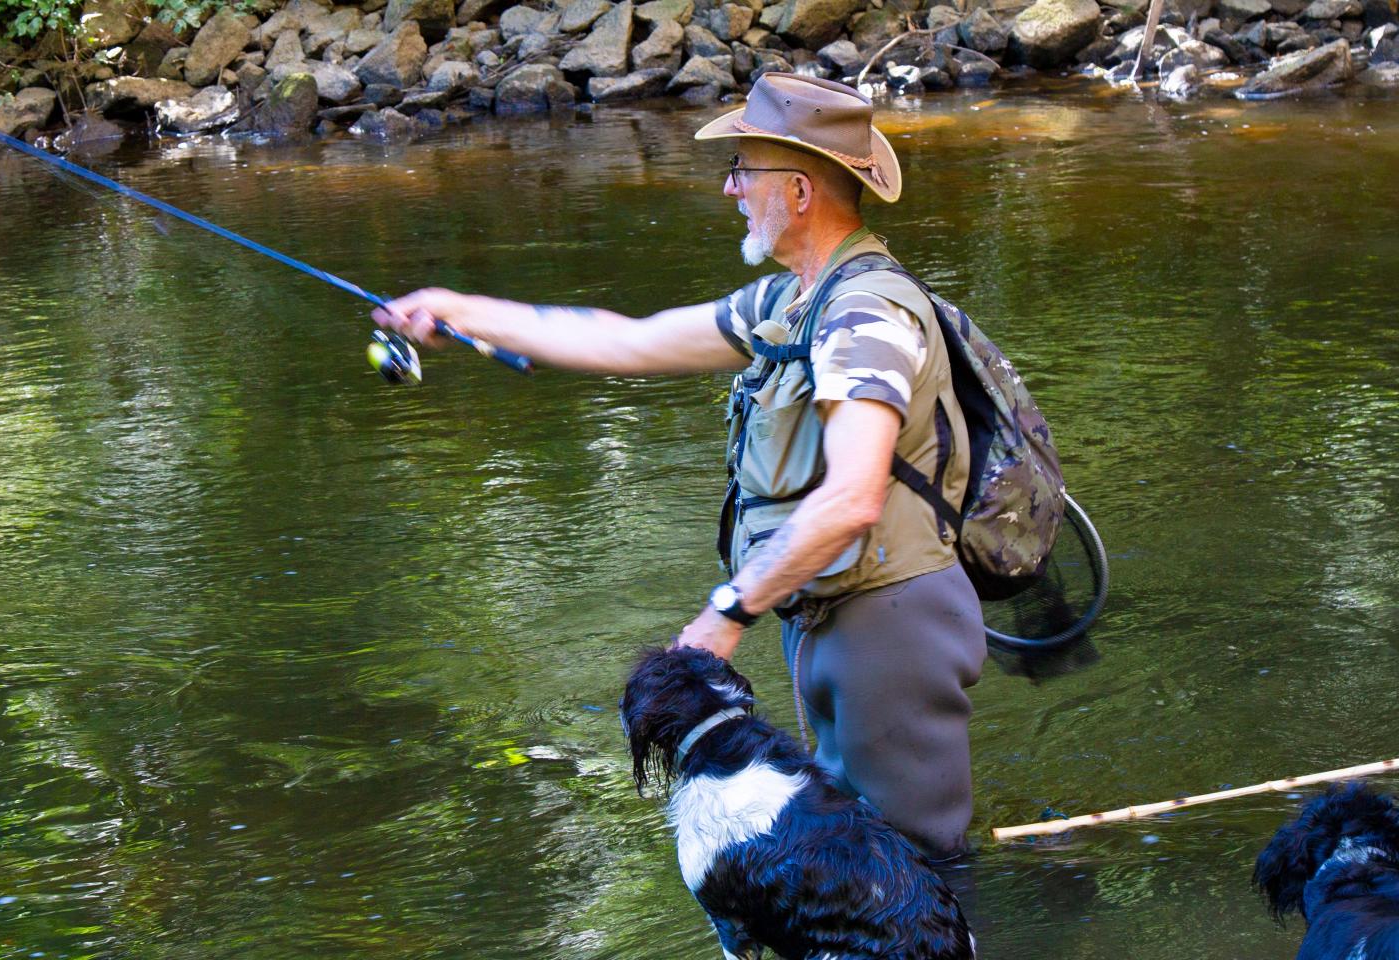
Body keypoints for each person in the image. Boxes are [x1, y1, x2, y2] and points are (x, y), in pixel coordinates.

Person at [371, 73, 984, 859]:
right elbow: (626, 342)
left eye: (742, 170)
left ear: (797, 191)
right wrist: (457, 309)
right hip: (833, 615)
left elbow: (853, 499)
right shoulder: (789, 303)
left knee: (920, 869)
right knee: (864, 865)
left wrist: (725, 615)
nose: (729, 188)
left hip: (892, 625)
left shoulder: (865, 315)